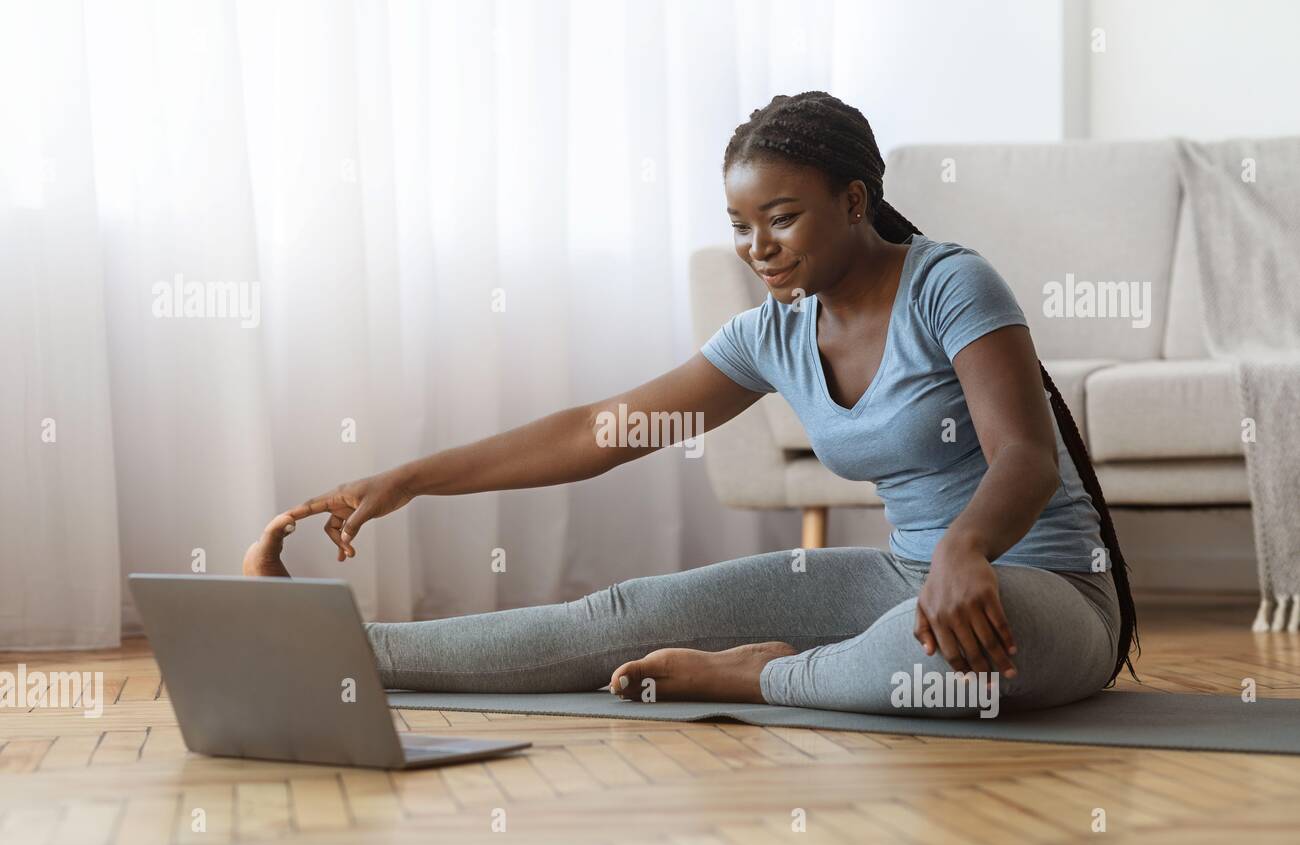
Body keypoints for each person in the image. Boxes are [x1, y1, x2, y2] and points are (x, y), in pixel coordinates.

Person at [244, 91, 1140, 717]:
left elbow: (1024, 451)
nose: (759, 247)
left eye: (781, 219)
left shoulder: (951, 284)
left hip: (1044, 591)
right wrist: (407, 479)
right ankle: (337, 644)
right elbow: (600, 432)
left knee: (950, 654)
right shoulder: (772, 335)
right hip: (900, 580)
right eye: (741, 225)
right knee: (621, 614)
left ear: (855, 199)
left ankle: (757, 679)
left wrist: (966, 547)